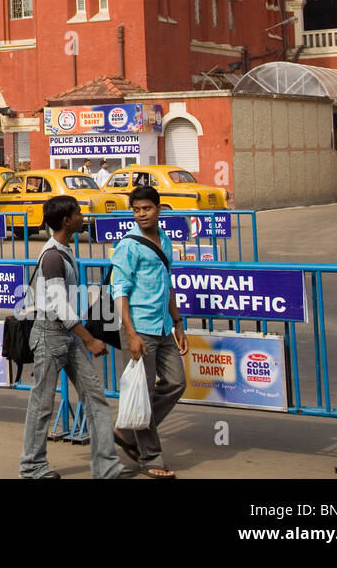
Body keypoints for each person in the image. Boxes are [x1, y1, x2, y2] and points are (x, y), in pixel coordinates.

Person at [19, 195, 135, 479]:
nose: (83, 216)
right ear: (66, 220)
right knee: (42, 404)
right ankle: (32, 467)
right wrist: (88, 338)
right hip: (51, 335)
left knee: (94, 397)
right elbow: (59, 305)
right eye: (78, 213)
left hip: (66, 336)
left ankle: (106, 468)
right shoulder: (53, 256)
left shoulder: (64, 250)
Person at [111, 185, 188, 479]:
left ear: (158, 209)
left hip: (163, 326)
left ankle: (128, 429)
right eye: (136, 209)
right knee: (142, 393)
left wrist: (178, 322)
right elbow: (120, 290)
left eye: (147, 208)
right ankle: (150, 456)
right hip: (139, 328)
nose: (142, 214)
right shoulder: (128, 245)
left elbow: (167, 285)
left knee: (176, 383)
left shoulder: (164, 241)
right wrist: (130, 333)